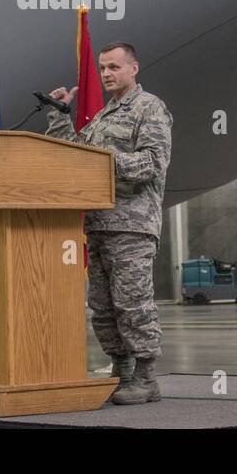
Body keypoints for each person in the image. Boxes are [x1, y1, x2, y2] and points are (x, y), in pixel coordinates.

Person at [47, 42, 173, 405]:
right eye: (102, 68)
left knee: (133, 303)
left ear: (134, 68)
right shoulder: (103, 117)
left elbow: (152, 163)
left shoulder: (149, 108)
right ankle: (121, 371)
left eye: (114, 67)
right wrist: (59, 115)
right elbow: (74, 155)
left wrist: (103, 161)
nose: (106, 74)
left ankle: (147, 378)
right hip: (99, 225)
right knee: (102, 306)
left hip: (132, 225)